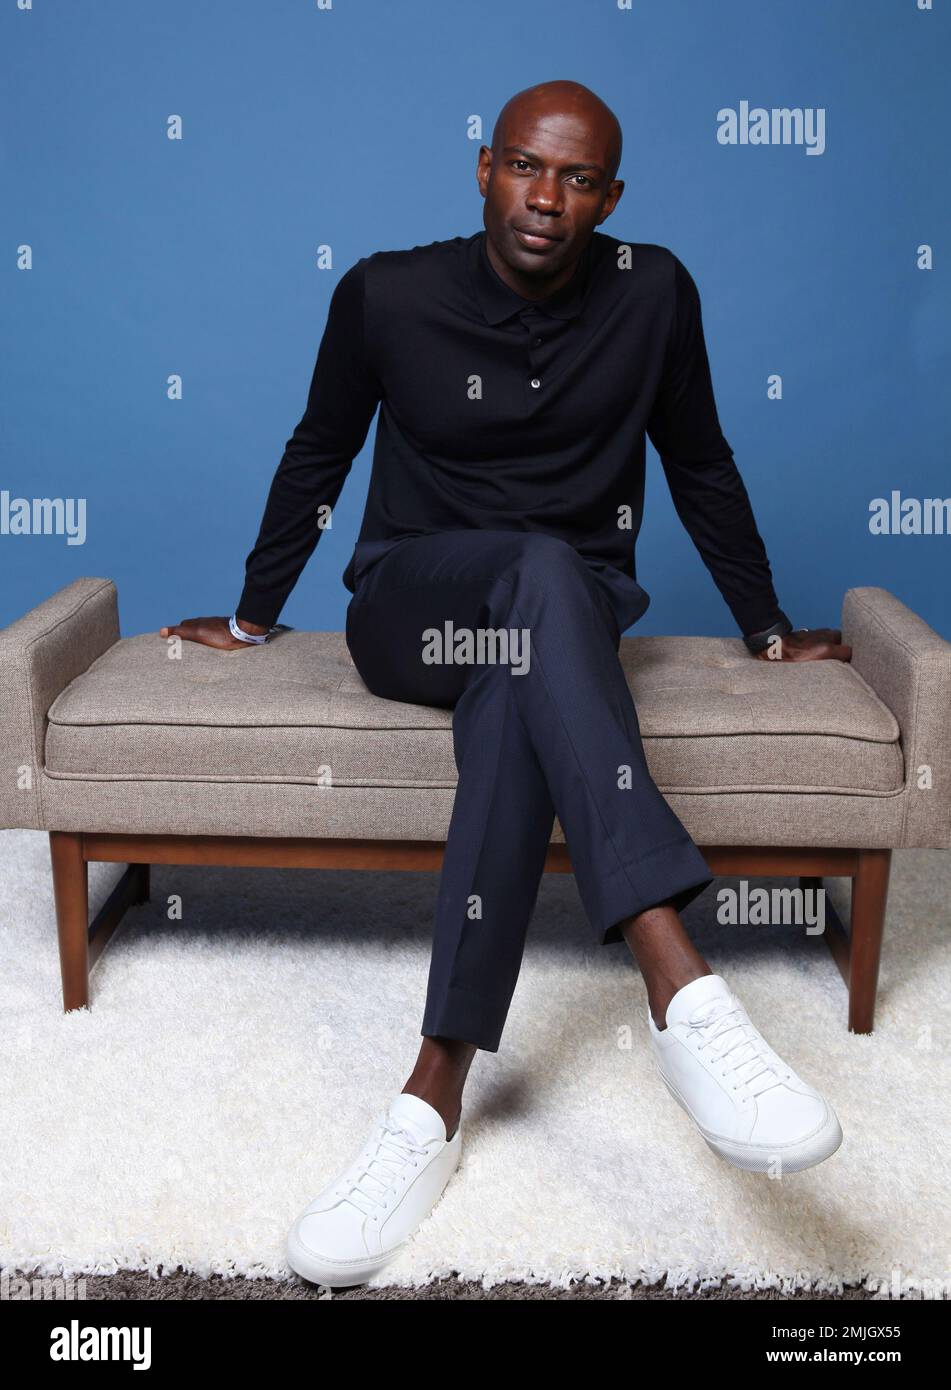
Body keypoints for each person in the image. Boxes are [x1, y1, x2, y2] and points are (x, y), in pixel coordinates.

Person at [160, 80, 852, 1289]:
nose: (549, 198)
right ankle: (678, 979)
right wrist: (253, 612)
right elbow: (318, 450)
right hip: (410, 612)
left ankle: (428, 1101)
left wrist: (770, 629)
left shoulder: (654, 294)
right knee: (540, 571)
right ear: (485, 168)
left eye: (580, 180)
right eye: (529, 167)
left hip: (547, 630)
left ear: (611, 198)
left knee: (533, 651)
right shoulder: (386, 292)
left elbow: (700, 462)